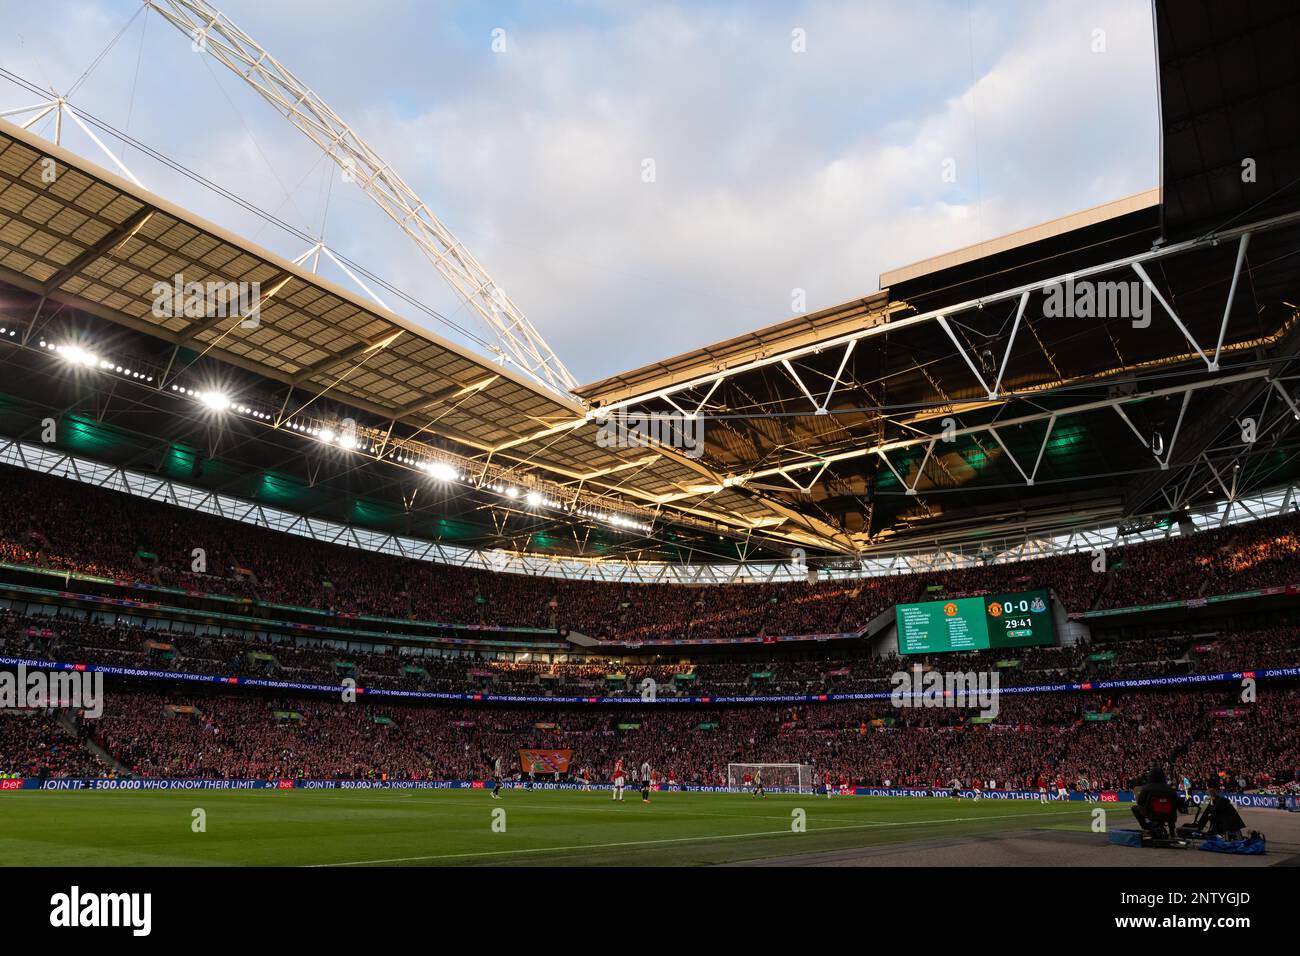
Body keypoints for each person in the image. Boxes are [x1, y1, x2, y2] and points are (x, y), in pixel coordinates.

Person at [1131, 768, 1180, 839]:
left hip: (1152, 814)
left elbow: (1140, 802)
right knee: (1172, 807)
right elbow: (1176, 803)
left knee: (1134, 808)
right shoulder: (1170, 788)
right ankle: (1172, 830)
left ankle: (1147, 829)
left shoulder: (1146, 788)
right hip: (1169, 815)